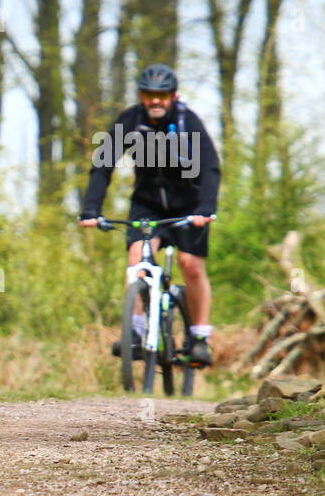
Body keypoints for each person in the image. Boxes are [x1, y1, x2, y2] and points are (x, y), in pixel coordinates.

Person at [78, 63, 220, 366]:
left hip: (188, 207)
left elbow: (209, 167)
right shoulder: (130, 120)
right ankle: (136, 334)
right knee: (136, 261)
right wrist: (91, 208)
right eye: (149, 94)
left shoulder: (187, 122)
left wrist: (206, 209)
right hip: (147, 204)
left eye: (162, 95)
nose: (155, 101)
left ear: (173, 95)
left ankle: (198, 336)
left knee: (190, 265)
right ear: (141, 95)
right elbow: (103, 165)